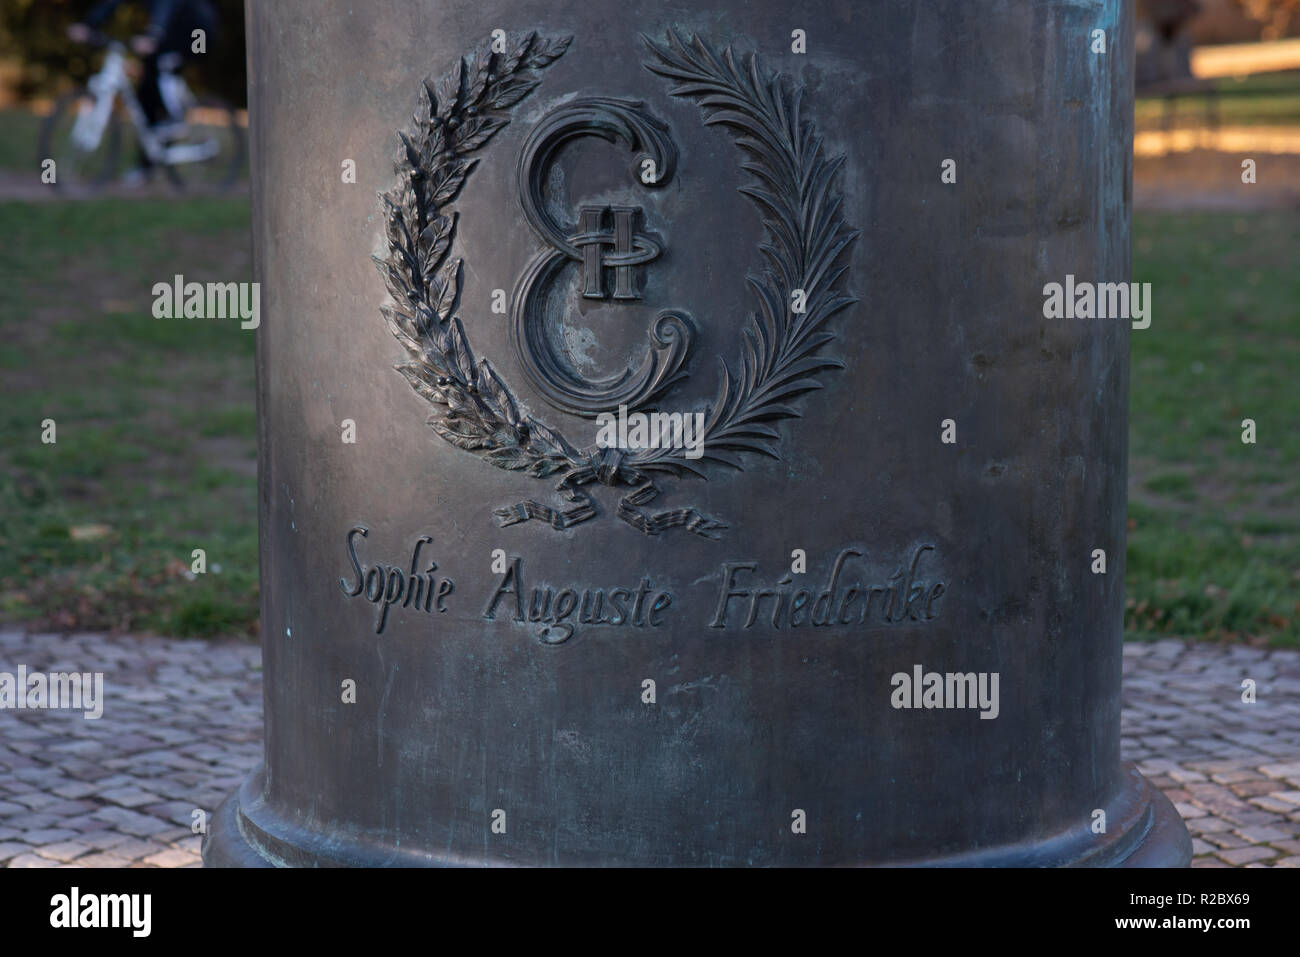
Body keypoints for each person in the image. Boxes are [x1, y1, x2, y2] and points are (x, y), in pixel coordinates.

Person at [67, 0, 219, 181]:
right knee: (146, 93)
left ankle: (175, 117)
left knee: (163, 63)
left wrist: (154, 33)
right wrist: (88, 24)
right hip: (169, 31)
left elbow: (166, 4)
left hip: (197, 30)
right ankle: (148, 163)